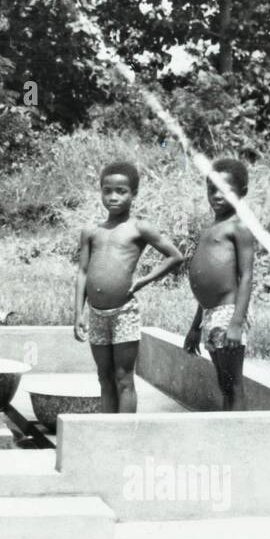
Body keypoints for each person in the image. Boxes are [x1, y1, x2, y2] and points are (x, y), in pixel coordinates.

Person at [73, 161, 183, 413]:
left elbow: (175, 256)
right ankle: (109, 432)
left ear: (134, 194)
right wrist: (78, 313)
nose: (113, 197)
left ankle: (125, 436)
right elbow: (82, 272)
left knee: (123, 377)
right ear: (100, 191)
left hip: (124, 313)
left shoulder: (138, 228)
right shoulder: (91, 231)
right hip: (96, 313)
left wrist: (144, 280)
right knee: (104, 376)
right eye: (107, 190)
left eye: (121, 191)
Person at [183, 158, 256, 411]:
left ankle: (238, 442)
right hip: (211, 314)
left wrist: (236, 323)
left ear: (242, 192)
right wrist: (196, 326)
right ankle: (230, 437)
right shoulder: (210, 229)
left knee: (233, 384)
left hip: (228, 314)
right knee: (224, 383)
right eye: (211, 189)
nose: (216, 195)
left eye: (224, 190)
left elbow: (246, 277)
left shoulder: (239, 227)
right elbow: (205, 291)